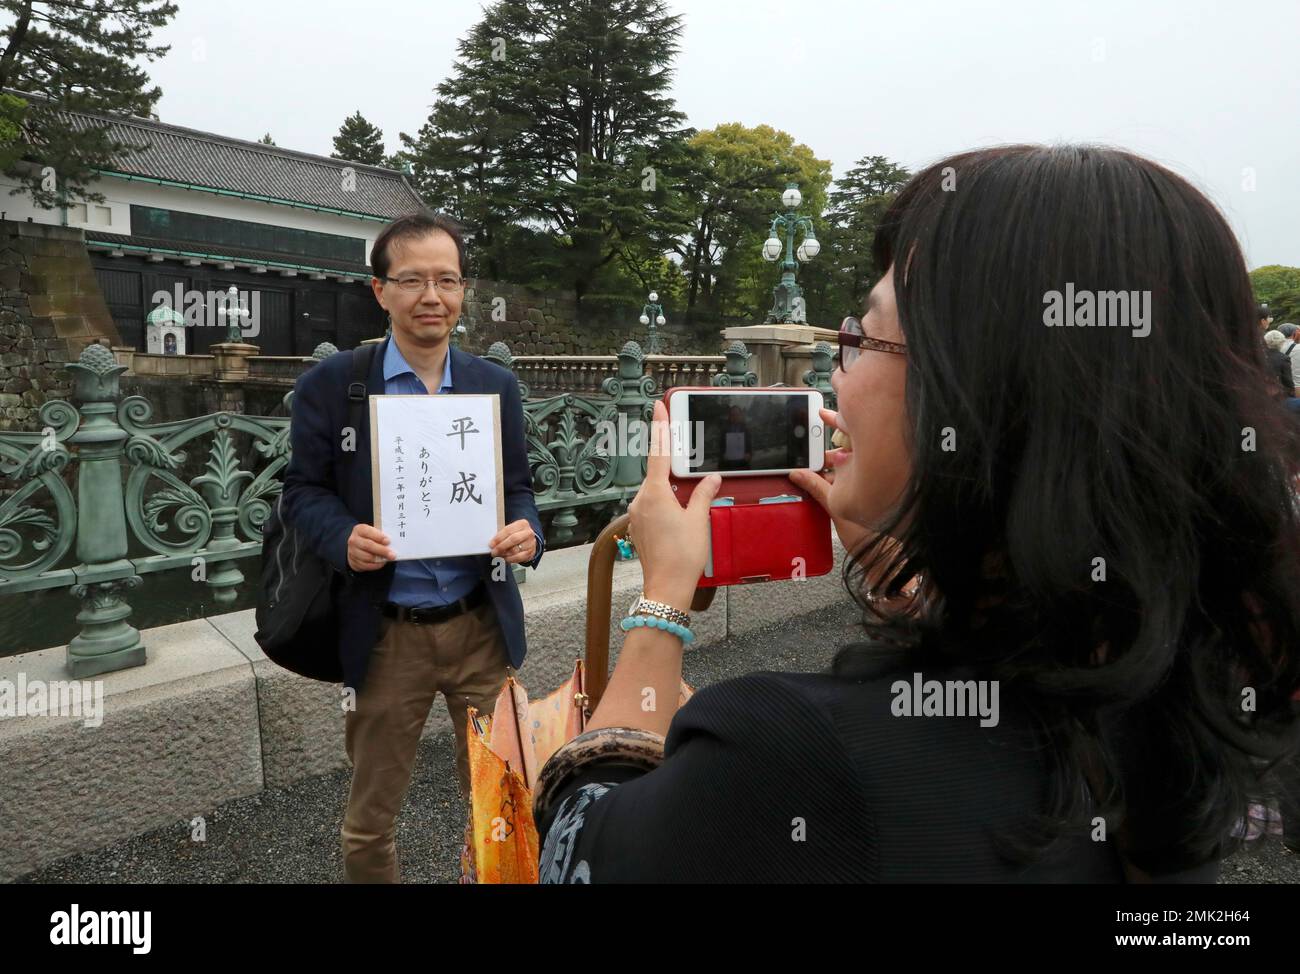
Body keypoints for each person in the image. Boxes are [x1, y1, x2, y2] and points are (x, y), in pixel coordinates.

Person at [534, 145, 1300, 883]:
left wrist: (661, 602)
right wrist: (911, 572)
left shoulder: (793, 754)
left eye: (860, 338)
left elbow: (583, 842)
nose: (838, 375)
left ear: (972, 392)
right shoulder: (1178, 674)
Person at [281, 210, 545, 883]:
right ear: (380, 291)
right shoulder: (335, 386)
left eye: (448, 280)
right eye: (413, 280)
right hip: (385, 633)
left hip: (478, 626)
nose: (433, 296)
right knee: (371, 819)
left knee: (504, 800)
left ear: (463, 291)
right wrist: (343, 537)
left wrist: (528, 532)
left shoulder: (494, 385)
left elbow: (519, 488)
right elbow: (301, 491)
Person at [1264, 330, 1294, 399]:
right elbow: (1287, 380)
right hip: (1277, 395)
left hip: (1261, 393)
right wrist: (1292, 394)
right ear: (1281, 343)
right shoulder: (1284, 358)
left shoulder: (1260, 355)